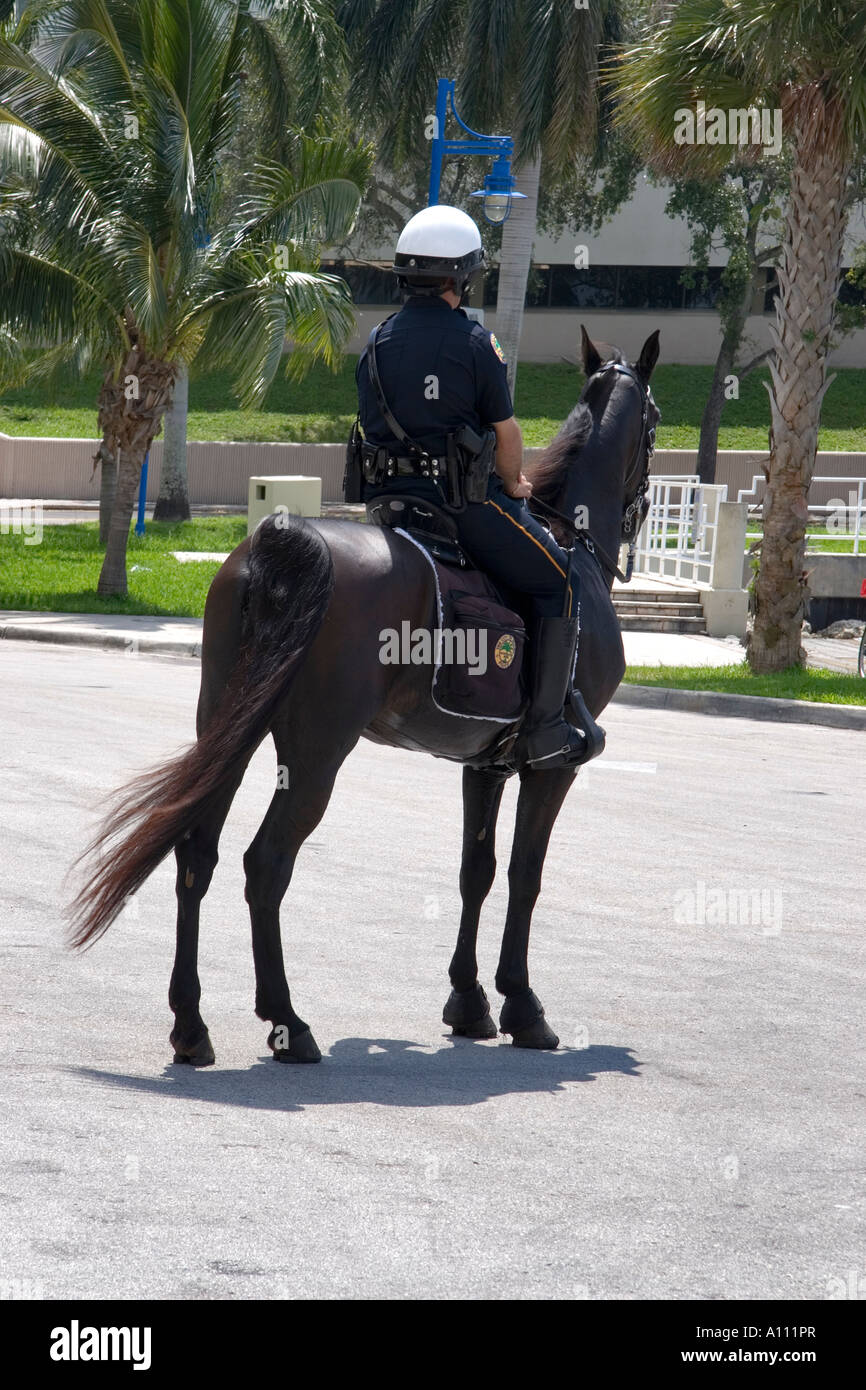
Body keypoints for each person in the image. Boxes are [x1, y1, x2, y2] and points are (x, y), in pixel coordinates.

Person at [355, 204, 588, 769]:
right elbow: (507, 437)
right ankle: (545, 726)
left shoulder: (376, 342)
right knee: (561, 581)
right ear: (461, 276)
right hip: (460, 507)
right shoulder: (477, 343)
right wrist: (516, 482)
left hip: (390, 510)